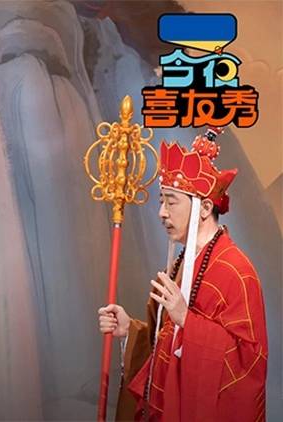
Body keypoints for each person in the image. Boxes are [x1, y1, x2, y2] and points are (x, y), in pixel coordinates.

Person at [98, 127, 267, 421]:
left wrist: (187, 320)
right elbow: (165, 343)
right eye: (161, 201)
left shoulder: (236, 272)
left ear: (204, 208)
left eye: (171, 201)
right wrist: (130, 331)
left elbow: (247, 366)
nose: (162, 212)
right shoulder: (182, 263)